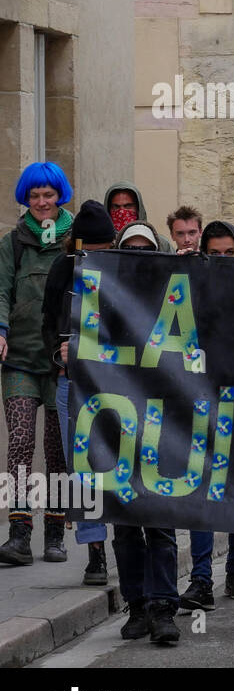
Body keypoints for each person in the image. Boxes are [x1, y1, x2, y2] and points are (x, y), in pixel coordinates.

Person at [106, 221, 182, 643]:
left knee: (161, 521)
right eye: (130, 249)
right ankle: (137, 607)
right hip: (114, 426)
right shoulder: (104, 298)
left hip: (162, 426)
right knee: (125, 525)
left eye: (146, 249)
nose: (138, 256)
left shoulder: (174, 294)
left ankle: (163, 609)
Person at [0, 162, 76, 567]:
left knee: (58, 447)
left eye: (48, 194)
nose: (42, 202)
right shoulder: (13, 243)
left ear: (59, 195)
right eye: (34, 196)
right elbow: (0, 290)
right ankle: (18, 533)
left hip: (61, 362)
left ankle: (55, 532)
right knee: (20, 442)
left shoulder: (74, 239)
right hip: (20, 359)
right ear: (25, 200)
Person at [179, 220, 234, 612]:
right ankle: (201, 579)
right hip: (201, 401)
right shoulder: (191, 288)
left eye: (231, 253)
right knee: (202, 492)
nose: (223, 261)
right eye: (215, 254)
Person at [41, 200, 115, 584]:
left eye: (103, 252)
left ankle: (127, 546)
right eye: (90, 252)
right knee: (81, 473)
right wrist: (59, 352)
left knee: (120, 470)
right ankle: (95, 554)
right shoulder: (62, 270)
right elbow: (48, 322)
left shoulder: (124, 270)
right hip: (73, 384)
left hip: (118, 385)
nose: (95, 259)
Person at [104, 181, 172, 252]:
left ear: (138, 208)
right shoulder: (102, 244)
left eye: (128, 206)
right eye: (116, 207)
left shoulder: (161, 244)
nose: (122, 211)